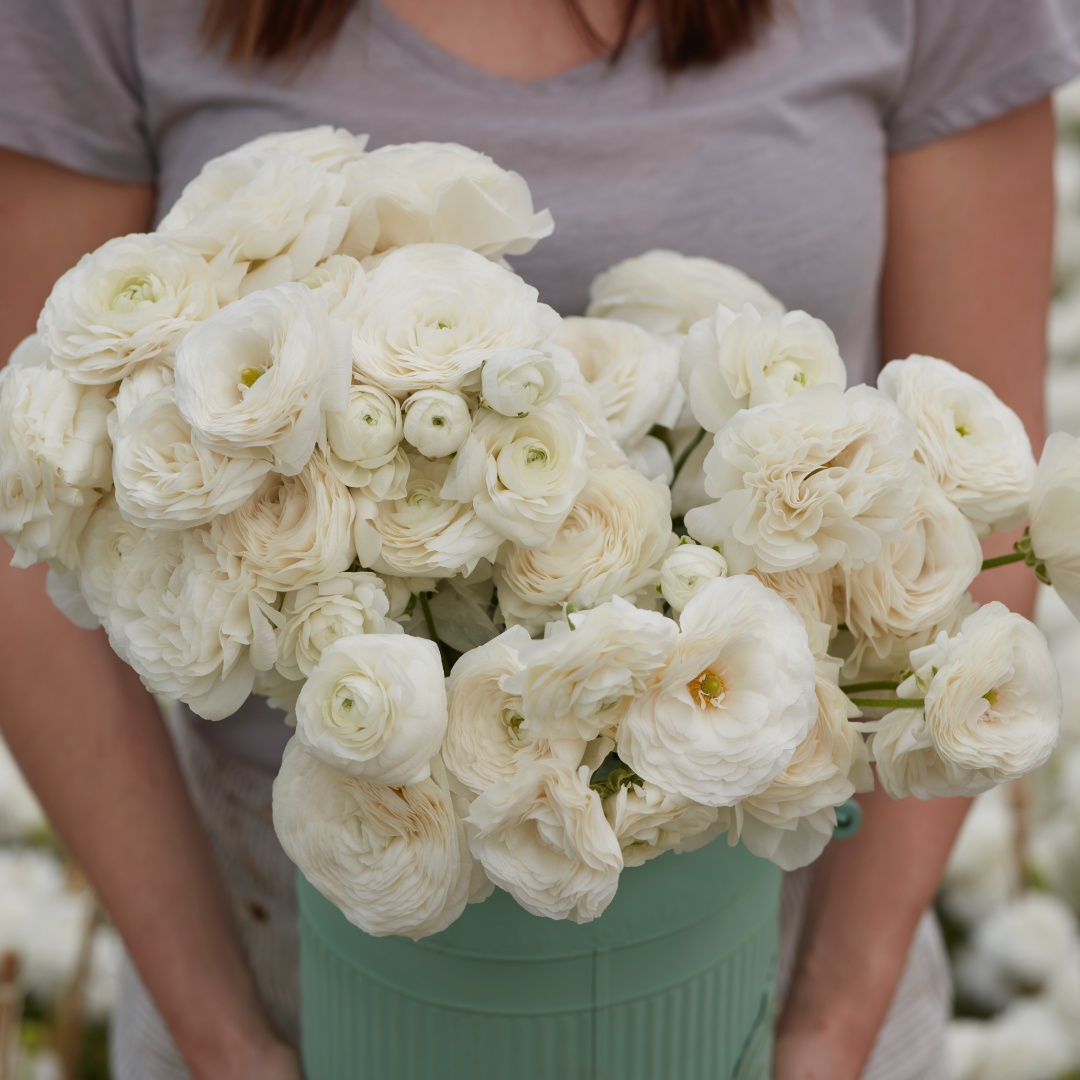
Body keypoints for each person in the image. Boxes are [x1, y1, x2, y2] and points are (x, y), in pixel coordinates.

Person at [1, 1, 1079, 1077]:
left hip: (798, 952)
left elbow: (990, 494)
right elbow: (30, 500)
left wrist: (830, 1028)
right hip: (262, 944)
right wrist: (225, 1040)